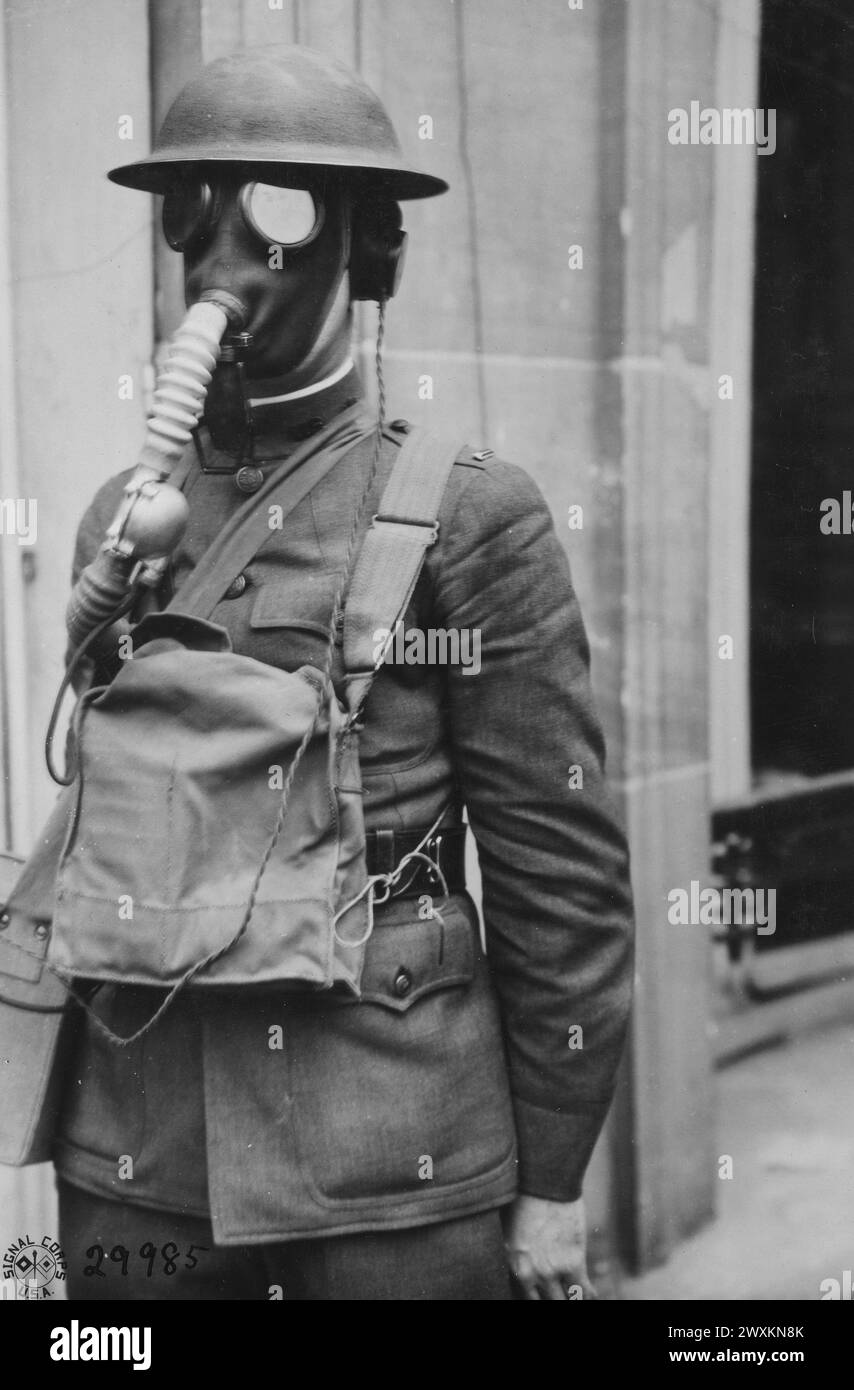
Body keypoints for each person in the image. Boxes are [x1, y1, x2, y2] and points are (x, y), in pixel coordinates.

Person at [53, 44, 634, 1302]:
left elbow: (559, 878)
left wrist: (552, 1179)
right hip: (145, 1170)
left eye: (273, 217)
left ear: (368, 253)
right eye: (190, 218)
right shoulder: (128, 513)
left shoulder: (469, 516)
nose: (221, 266)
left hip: (391, 1178)